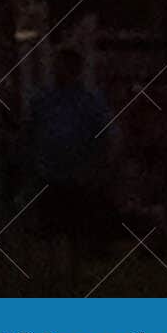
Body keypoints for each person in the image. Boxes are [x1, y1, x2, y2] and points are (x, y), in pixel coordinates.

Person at [28, 48, 113, 291]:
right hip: (50, 173)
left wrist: (98, 166)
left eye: (65, 66)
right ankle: (55, 274)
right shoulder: (44, 99)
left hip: (78, 175)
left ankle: (74, 275)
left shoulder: (88, 100)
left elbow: (102, 135)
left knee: (75, 229)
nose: (60, 71)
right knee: (52, 228)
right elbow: (32, 131)